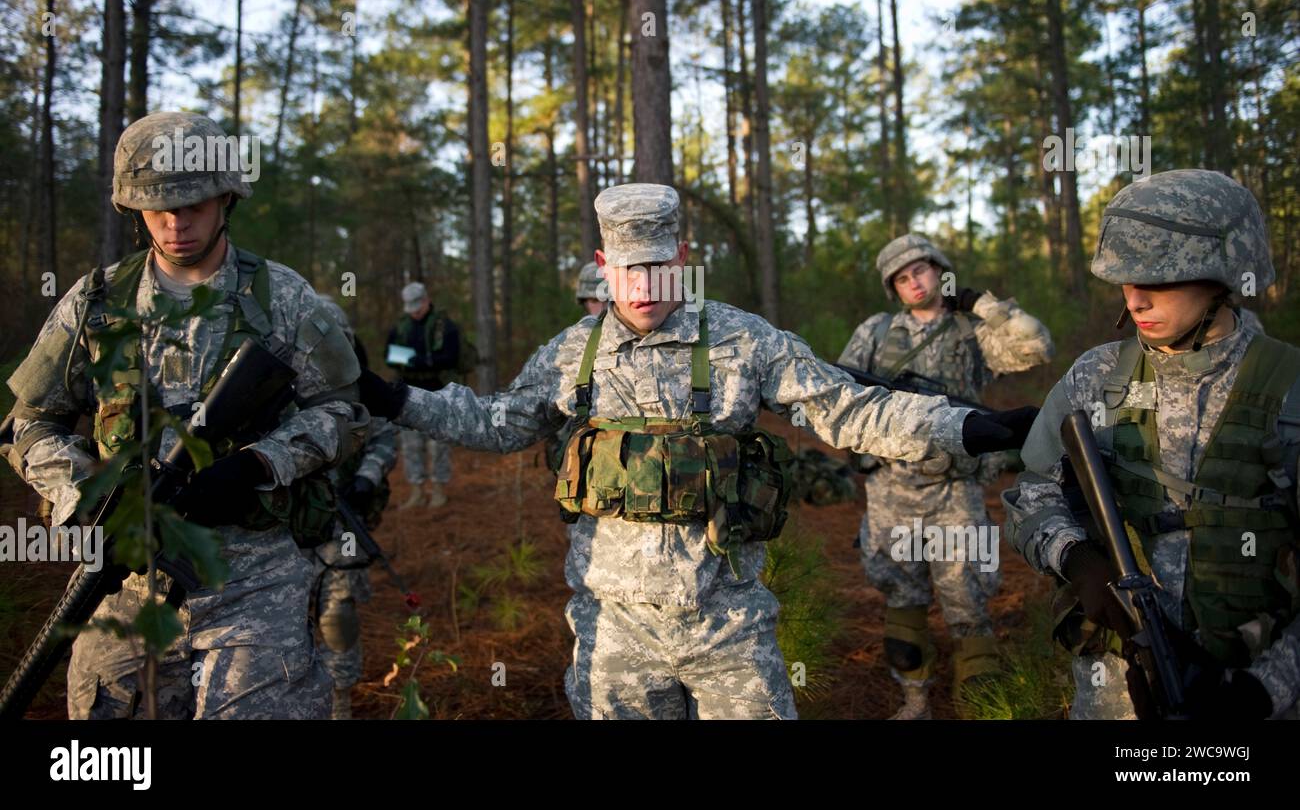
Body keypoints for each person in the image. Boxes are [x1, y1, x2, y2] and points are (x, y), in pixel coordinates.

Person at [360, 182, 1035, 720]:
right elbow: (497, 422)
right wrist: (392, 399)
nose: (646, 286)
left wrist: (971, 426)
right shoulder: (575, 351)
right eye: (629, 271)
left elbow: (850, 407)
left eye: (659, 267)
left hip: (728, 627)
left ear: (681, 259)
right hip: (613, 632)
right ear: (603, 267)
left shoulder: (742, 340)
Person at [4, 111, 363, 719]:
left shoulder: (286, 298)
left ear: (226, 196)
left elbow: (344, 412)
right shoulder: (95, 301)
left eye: (192, 203)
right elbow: (26, 422)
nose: (174, 222)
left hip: (255, 580)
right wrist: (86, 493)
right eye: (156, 208)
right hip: (124, 585)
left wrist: (258, 463)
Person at [1004, 168, 1300, 720]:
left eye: (1158, 280)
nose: (1135, 299)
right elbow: (1032, 497)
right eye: (1124, 280)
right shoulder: (1095, 376)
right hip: (1118, 686)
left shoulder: (1288, 391)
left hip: (1256, 685)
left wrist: (1262, 691)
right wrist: (1077, 558)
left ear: (1223, 277)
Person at [838, 233, 1054, 718]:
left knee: (968, 600)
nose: (913, 281)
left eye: (921, 270)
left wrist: (983, 304)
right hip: (892, 488)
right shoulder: (874, 332)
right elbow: (842, 396)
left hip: (956, 492)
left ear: (940, 271)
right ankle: (915, 701)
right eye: (901, 277)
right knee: (902, 598)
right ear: (892, 288)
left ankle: (980, 707)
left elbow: (1037, 346)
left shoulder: (969, 331)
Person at [306, 295, 398, 720]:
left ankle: (340, 701)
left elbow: (383, 438)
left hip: (345, 524)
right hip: (291, 528)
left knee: (338, 613)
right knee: (288, 617)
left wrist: (367, 477)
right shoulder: (279, 390)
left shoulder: (361, 388)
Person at [385, 282, 459, 509]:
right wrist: (420, 360)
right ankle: (416, 491)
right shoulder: (401, 327)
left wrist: (415, 359)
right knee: (411, 445)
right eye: (411, 306)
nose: (415, 310)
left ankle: (438, 490)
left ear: (427, 300)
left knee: (438, 445)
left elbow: (450, 357)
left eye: (418, 305)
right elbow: (390, 355)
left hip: (438, 393)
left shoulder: (444, 325)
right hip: (408, 393)